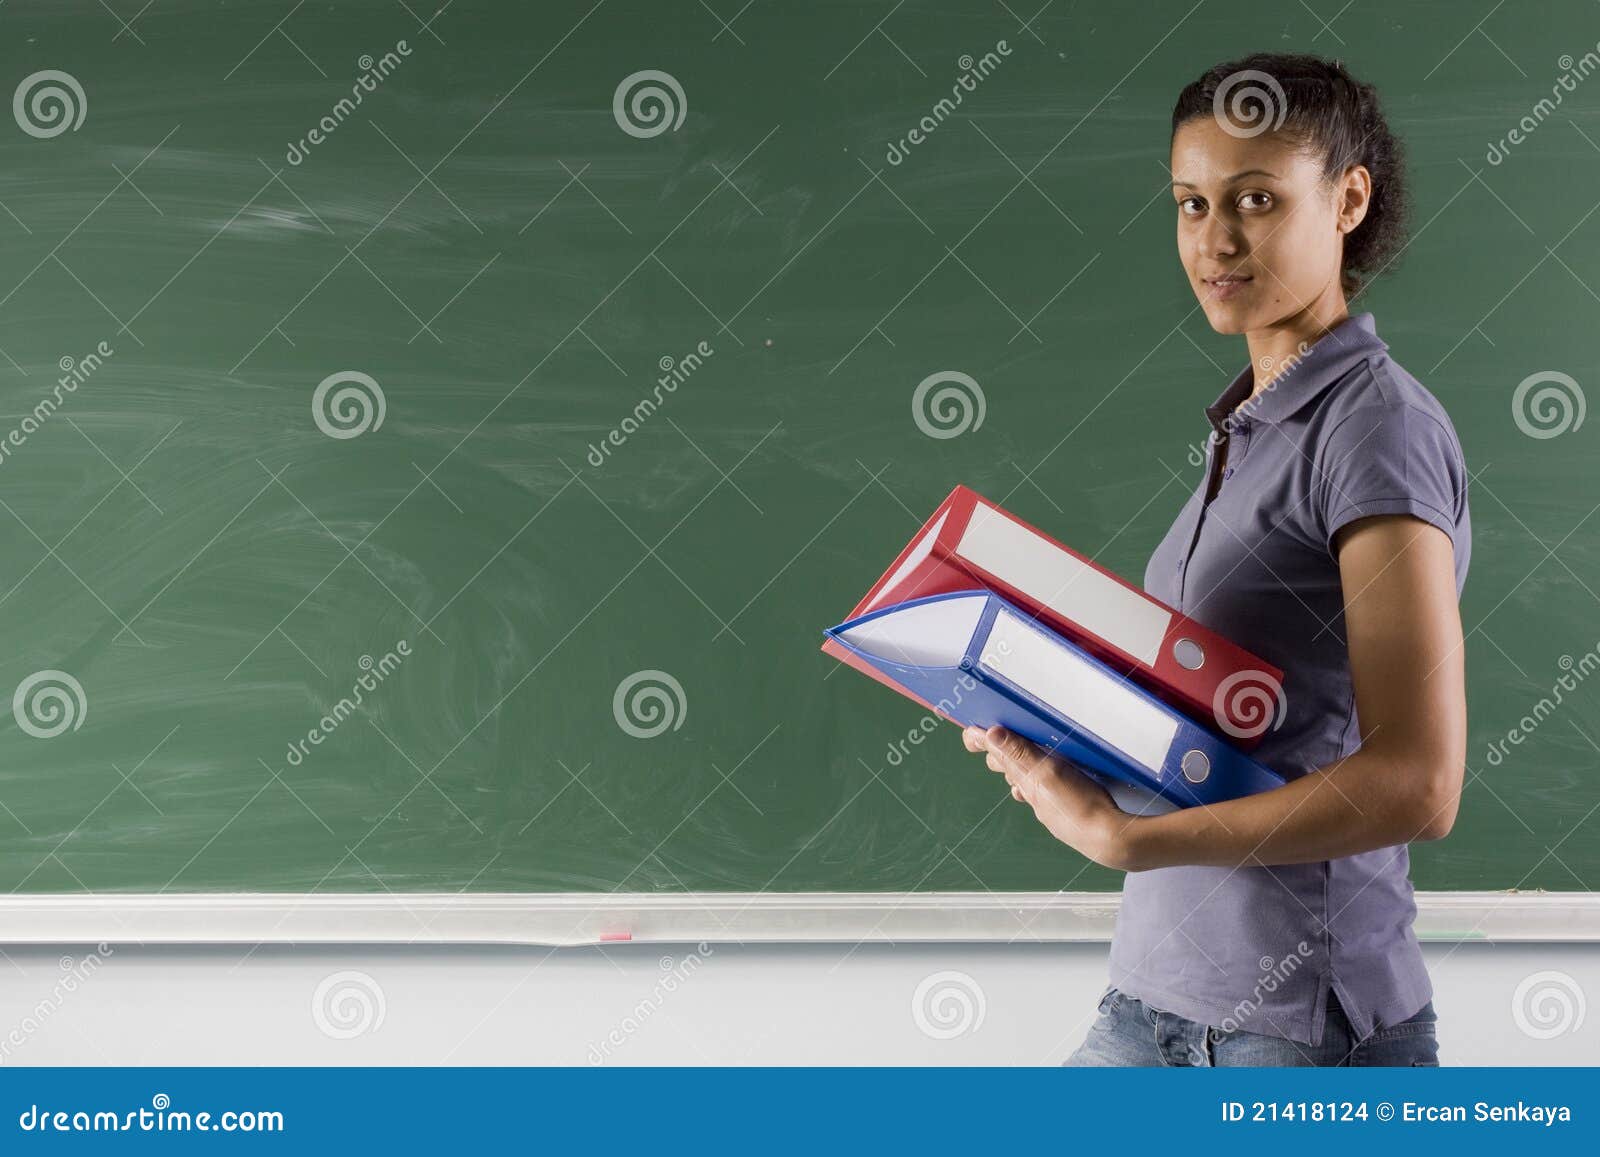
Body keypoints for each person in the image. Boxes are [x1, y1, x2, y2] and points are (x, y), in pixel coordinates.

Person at [962, 52, 1468, 1067]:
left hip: (1298, 1025)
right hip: (1153, 997)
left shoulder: (1373, 427)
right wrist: (1069, 739)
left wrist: (1127, 840)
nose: (1215, 239)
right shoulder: (1253, 426)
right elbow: (1256, 730)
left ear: (1348, 200)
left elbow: (1418, 781)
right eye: (1192, 204)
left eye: (1256, 199)